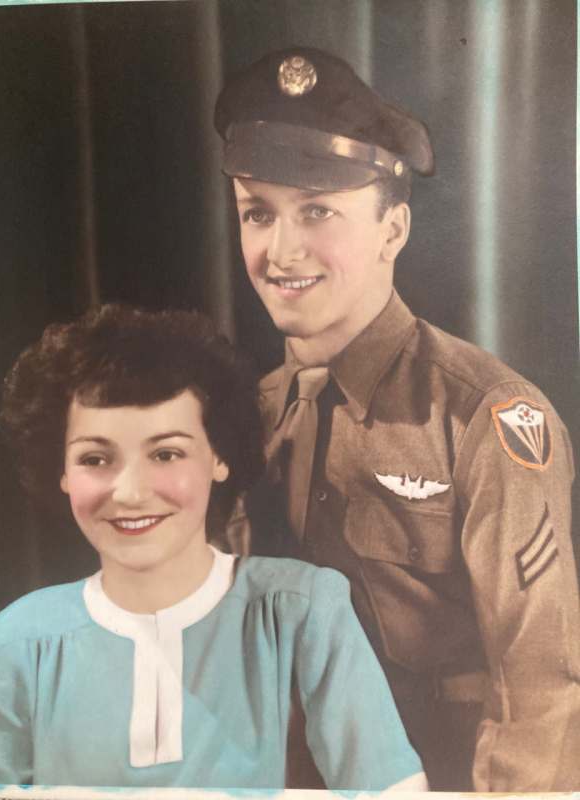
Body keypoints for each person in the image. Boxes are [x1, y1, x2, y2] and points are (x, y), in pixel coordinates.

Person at [214, 46, 580, 791]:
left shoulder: (486, 417)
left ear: (394, 230)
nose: (281, 251)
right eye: (259, 213)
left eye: (318, 210)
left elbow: (540, 691)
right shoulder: (246, 414)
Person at [0, 304, 424, 790]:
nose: (130, 492)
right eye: (95, 458)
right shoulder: (15, 646)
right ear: (63, 472)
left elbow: (392, 790)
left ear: (219, 456)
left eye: (166, 453)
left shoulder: (300, 612)